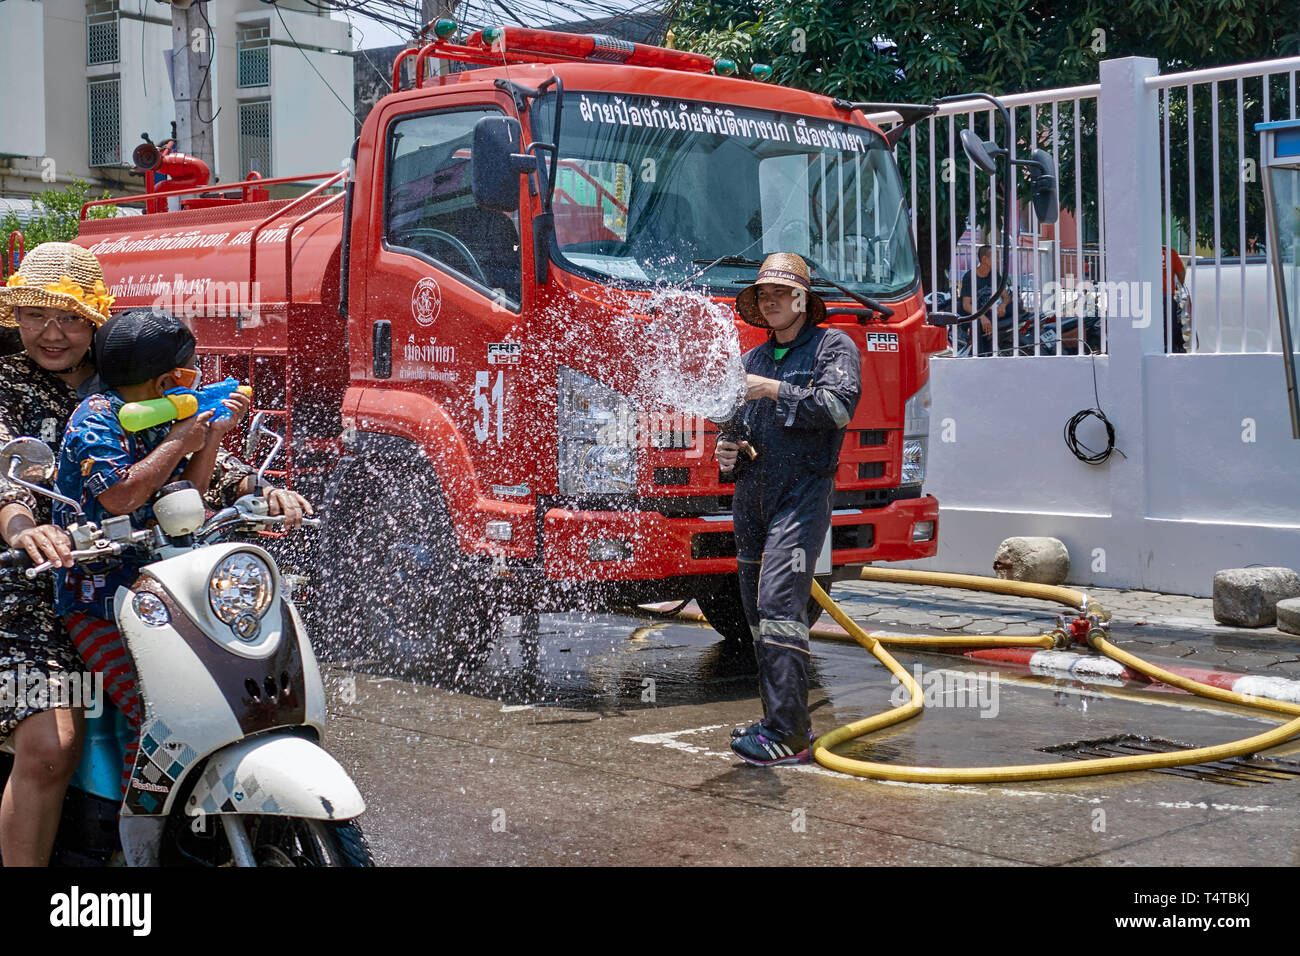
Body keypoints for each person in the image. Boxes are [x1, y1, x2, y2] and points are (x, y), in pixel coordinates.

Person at [51, 306, 311, 864]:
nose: (199, 377)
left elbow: (185, 496)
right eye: (192, 369)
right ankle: (135, 842)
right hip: (101, 603)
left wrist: (209, 438)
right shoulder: (96, 417)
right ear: (169, 380)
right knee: (159, 718)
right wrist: (183, 435)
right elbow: (120, 496)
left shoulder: (169, 413)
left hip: (165, 590)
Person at [715, 253, 861, 767]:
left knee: (780, 605)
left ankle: (788, 732)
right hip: (750, 499)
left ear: (803, 300)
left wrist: (775, 389)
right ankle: (776, 718)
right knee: (758, 616)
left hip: (799, 499)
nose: (770, 299)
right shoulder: (752, 360)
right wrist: (726, 451)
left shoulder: (831, 347)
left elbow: (839, 407)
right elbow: (732, 429)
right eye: (763, 293)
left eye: (780, 291)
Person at [0, 242, 115, 866]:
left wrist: (257, 487)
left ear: (94, 319)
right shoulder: (4, 385)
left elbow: (175, 437)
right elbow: (6, 480)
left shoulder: (125, 377)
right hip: (29, 592)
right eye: (35, 315)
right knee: (51, 744)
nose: (51, 333)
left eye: (69, 316)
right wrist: (22, 530)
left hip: (125, 584)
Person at [958, 244, 1011, 355]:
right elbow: (966, 305)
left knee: (1012, 310)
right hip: (973, 314)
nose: (998, 260)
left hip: (989, 312)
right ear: (984, 259)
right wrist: (981, 317)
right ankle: (979, 356)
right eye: (995, 257)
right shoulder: (970, 277)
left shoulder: (994, 275)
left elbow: (1006, 296)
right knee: (976, 323)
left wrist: (1003, 306)